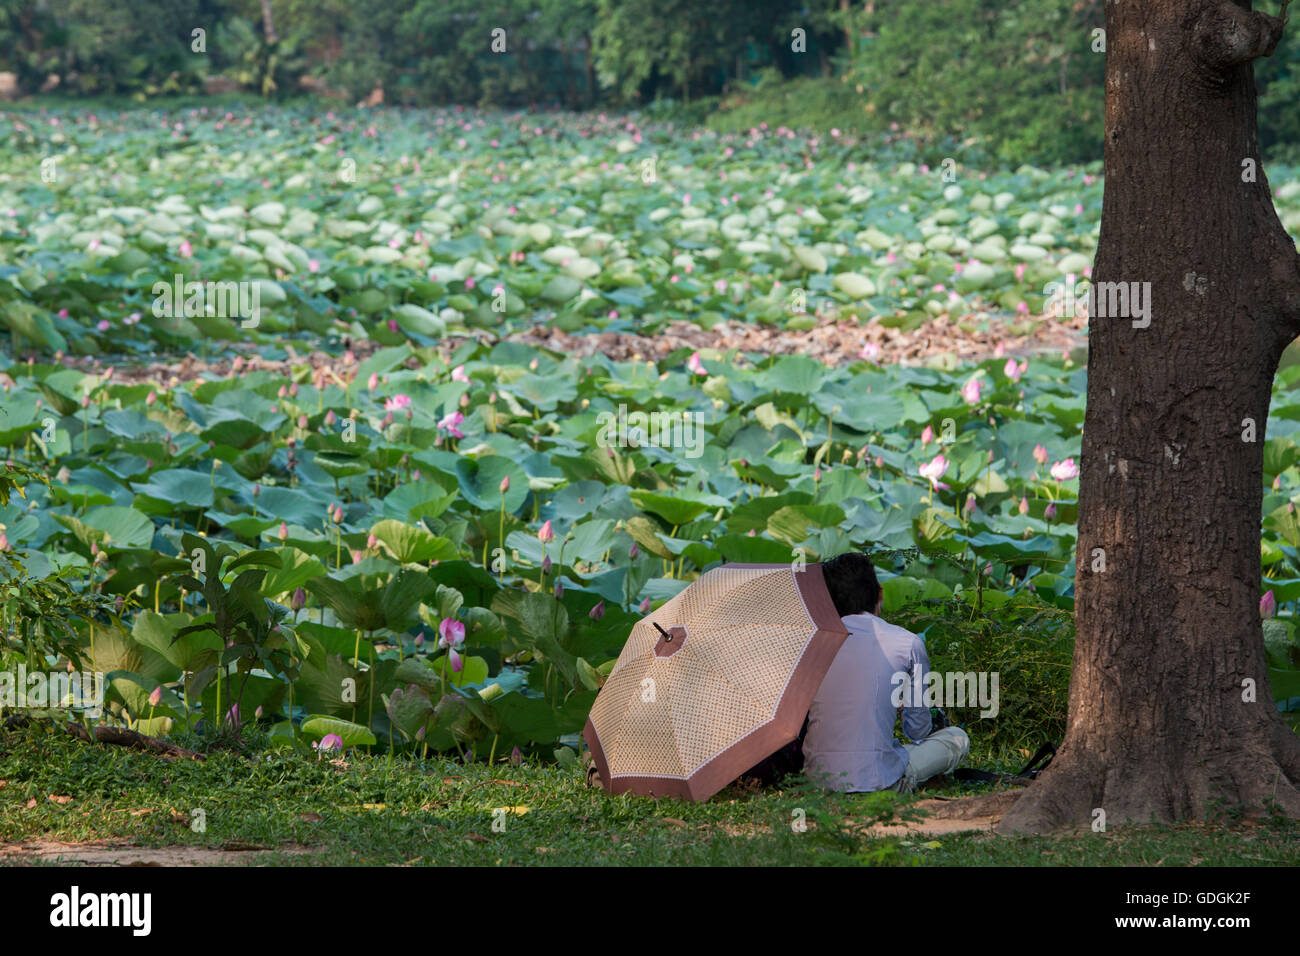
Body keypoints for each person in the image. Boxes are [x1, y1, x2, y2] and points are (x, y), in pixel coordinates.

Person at [798, 551, 970, 794]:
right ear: (879, 593)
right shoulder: (908, 643)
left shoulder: (810, 645)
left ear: (827, 601)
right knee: (957, 738)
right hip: (880, 783)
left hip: (817, 782)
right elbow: (918, 731)